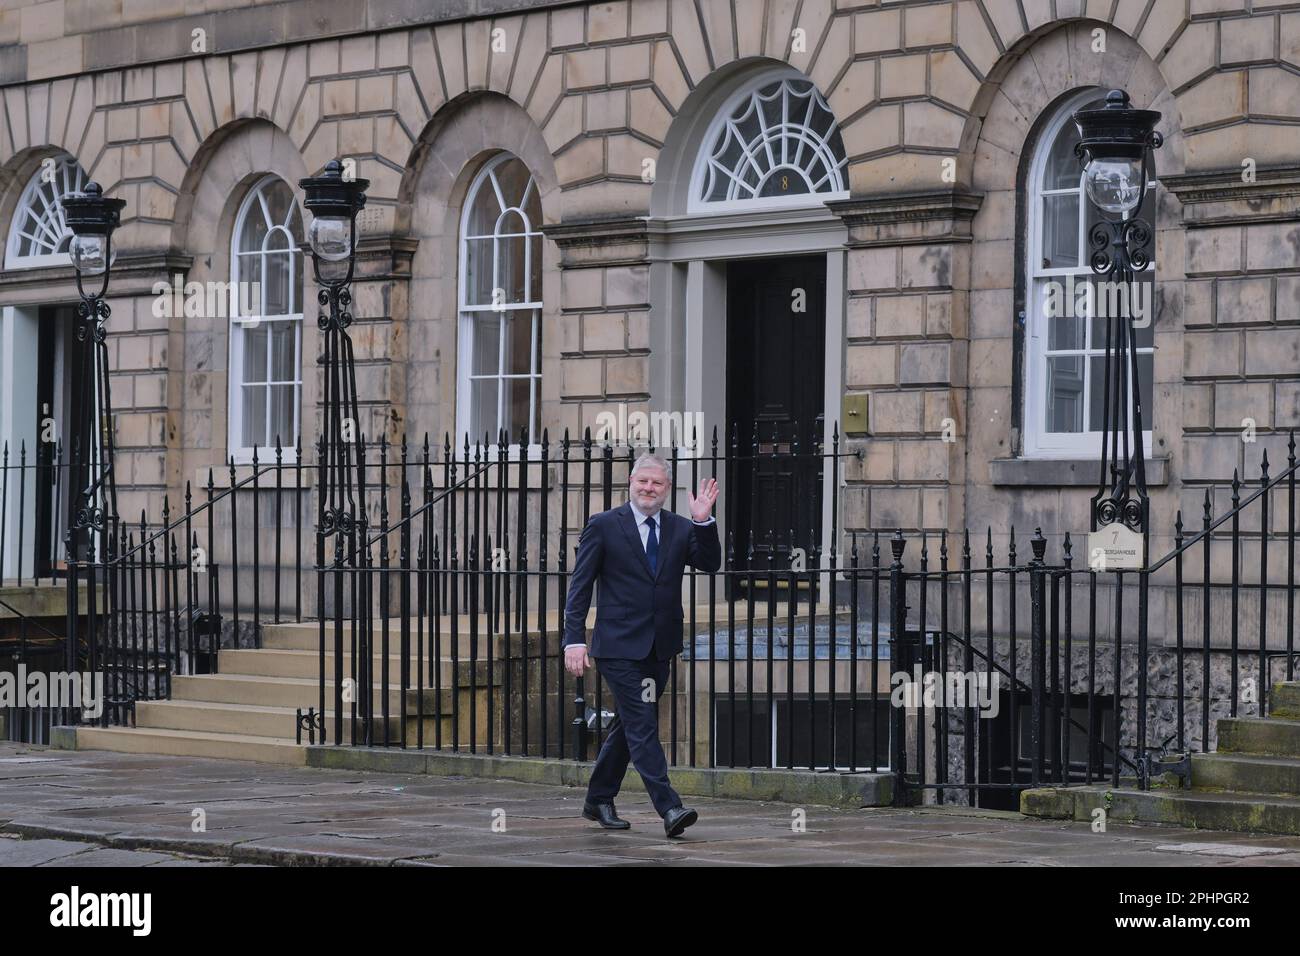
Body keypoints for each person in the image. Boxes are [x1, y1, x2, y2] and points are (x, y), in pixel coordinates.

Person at [562, 452, 721, 838]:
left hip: (660, 646)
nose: (649, 489)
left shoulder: (681, 528)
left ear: (667, 490)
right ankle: (670, 808)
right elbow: (580, 587)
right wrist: (573, 640)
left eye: (657, 484)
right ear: (631, 483)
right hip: (616, 646)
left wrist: (703, 521)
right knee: (642, 724)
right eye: (643, 482)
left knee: (628, 726)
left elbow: (711, 564)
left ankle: (597, 799)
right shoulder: (603, 526)